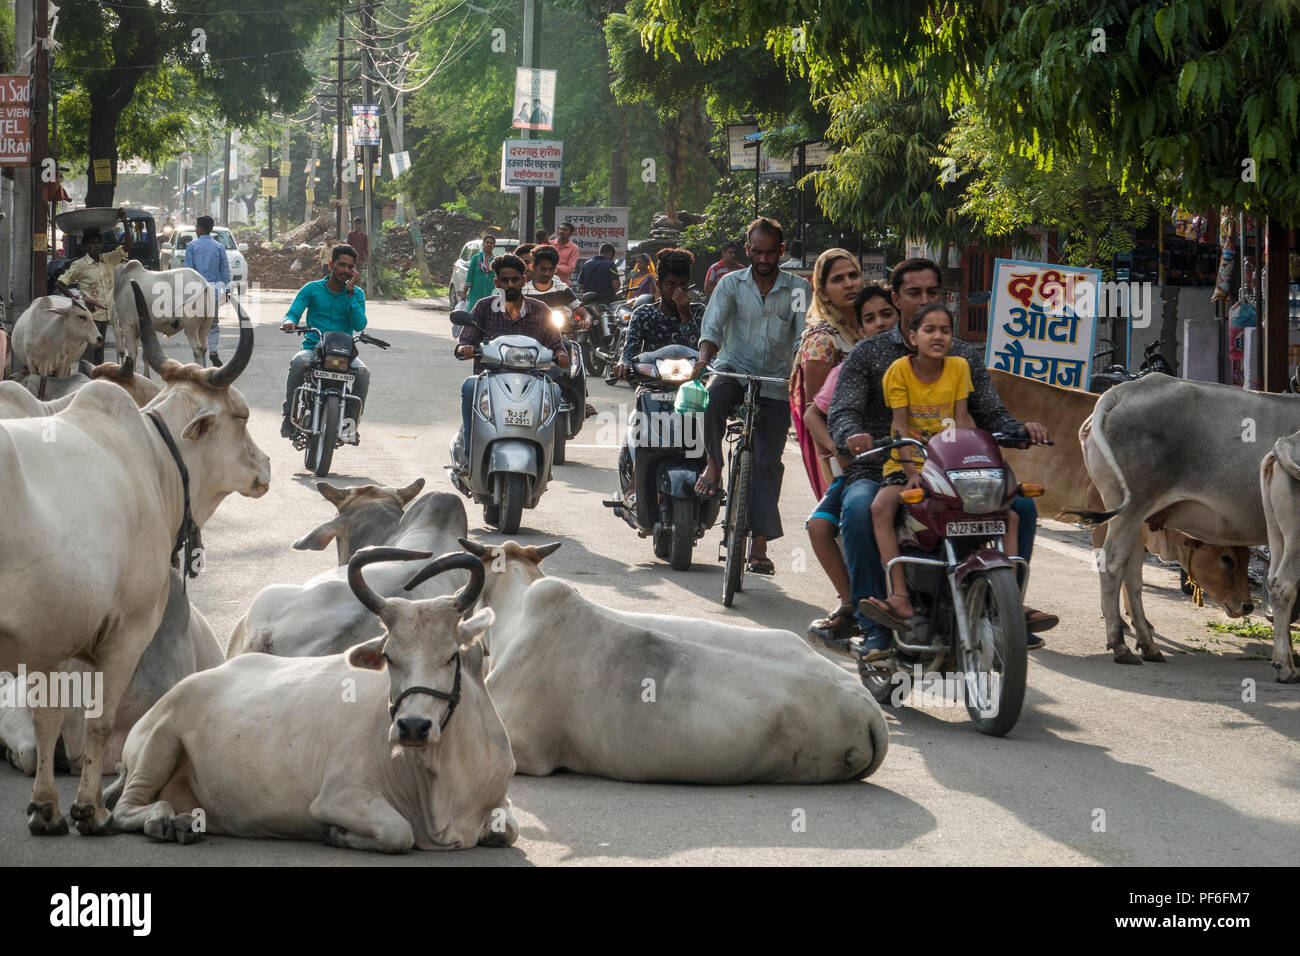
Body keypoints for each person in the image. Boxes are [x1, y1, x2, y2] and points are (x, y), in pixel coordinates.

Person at [827, 257, 1055, 657]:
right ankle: (876, 628)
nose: (924, 300)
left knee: (1021, 506)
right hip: (884, 465)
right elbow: (843, 411)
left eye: (932, 293)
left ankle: (1005, 610)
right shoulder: (868, 354)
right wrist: (852, 435)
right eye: (914, 293)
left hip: (954, 468)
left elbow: (988, 412)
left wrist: (1019, 429)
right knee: (861, 508)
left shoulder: (963, 356)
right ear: (896, 299)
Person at [863, 303, 1012, 633]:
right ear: (913, 337)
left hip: (949, 464)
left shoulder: (959, 367)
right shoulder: (898, 372)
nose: (938, 336)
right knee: (881, 507)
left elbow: (961, 420)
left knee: (1008, 513)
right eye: (929, 330)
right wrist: (913, 472)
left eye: (945, 330)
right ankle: (899, 595)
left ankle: (1010, 597)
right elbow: (900, 427)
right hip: (909, 461)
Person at [690, 216, 810, 576]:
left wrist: (802, 371)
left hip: (775, 381)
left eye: (770, 252)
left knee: (767, 463)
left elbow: (804, 337)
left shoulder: (799, 289)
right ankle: (714, 465)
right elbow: (712, 327)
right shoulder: (729, 285)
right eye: (756, 251)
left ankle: (759, 545)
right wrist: (703, 360)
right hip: (734, 371)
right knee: (713, 400)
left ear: (781, 251)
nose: (763, 259)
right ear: (747, 250)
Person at [804, 285, 900, 638]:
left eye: (886, 315)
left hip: (917, 468)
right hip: (866, 469)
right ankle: (854, 604)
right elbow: (816, 413)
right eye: (869, 320)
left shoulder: (933, 358)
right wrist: (838, 446)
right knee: (821, 526)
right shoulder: (854, 364)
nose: (879, 324)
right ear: (858, 330)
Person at [453, 254, 570, 464]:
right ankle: (470, 457)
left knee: (555, 391)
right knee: (469, 387)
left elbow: (555, 344)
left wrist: (560, 355)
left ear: (523, 280)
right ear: (496, 282)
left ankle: (546, 459)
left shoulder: (540, 310)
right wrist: (465, 347)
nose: (510, 285)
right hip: (490, 378)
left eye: (515, 279)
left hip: (531, 380)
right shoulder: (483, 307)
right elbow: (466, 337)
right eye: (505, 280)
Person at [790, 248, 866, 502]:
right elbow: (816, 412)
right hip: (839, 448)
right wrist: (835, 461)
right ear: (822, 292)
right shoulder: (822, 341)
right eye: (837, 279)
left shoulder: (875, 324)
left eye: (853, 275)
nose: (849, 284)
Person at [278, 244, 372, 440]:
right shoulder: (311, 289)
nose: (345, 270)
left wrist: (349, 294)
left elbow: (360, 323)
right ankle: (289, 416)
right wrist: (289, 322)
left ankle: (349, 424)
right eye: (341, 265)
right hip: (314, 349)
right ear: (331, 265)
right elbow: (293, 312)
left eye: (350, 267)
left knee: (363, 373)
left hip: (344, 354)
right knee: (297, 363)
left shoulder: (357, 294)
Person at [614, 248, 703, 377]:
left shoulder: (699, 312)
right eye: (670, 285)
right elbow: (630, 351)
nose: (676, 292)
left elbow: (703, 354)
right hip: (650, 384)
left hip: (691, 386)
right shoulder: (643, 314)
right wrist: (624, 363)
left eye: (682, 287)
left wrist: (686, 315)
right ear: (658, 285)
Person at [61, 210, 133, 364]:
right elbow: (60, 283)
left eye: (97, 242)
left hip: (106, 315)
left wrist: (124, 221)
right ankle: (86, 383)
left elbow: (128, 245)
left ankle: (98, 381)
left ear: (102, 244)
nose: (95, 246)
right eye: (91, 243)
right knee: (89, 357)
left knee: (99, 355)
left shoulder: (108, 259)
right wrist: (77, 301)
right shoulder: (79, 265)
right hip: (90, 318)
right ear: (85, 246)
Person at [183, 214, 231, 367]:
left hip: (196, 293)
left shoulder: (192, 246)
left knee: (197, 329)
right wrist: (226, 291)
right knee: (213, 325)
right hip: (213, 292)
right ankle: (213, 350)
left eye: (196, 227)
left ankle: (201, 364)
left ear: (199, 229)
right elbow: (225, 273)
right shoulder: (219, 247)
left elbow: (188, 271)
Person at [464, 234, 499, 309]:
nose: (489, 244)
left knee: (488, 311)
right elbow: (469, 276)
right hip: (476, 291)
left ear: (494, 245)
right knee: (474, 310)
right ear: (483, 244)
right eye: (487, 242)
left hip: (490, 290)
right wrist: (465, 292)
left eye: (491, 243)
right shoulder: (476, 258)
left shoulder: (496, 260)